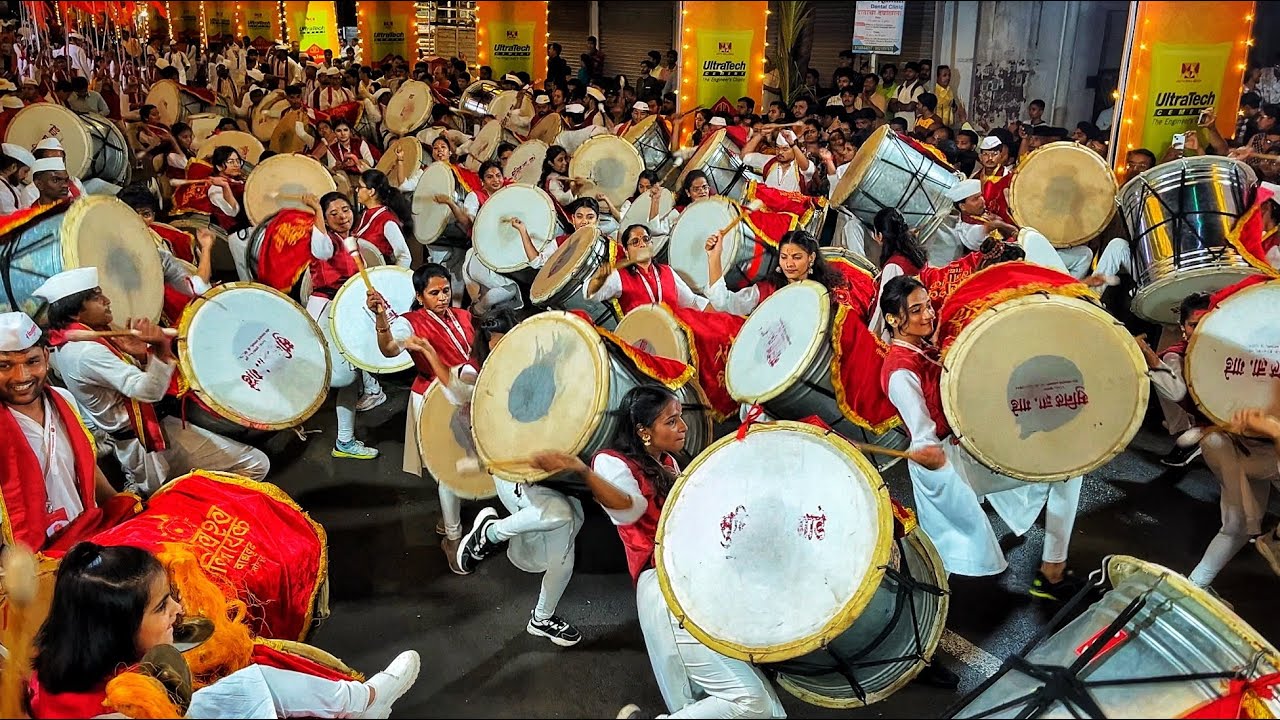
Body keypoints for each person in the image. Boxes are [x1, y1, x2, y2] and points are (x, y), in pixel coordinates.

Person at [528, 386, 787, 720]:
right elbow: (629, 508)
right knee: (750, 702)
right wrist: (584, 473)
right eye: (672, 421)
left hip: (691, 587)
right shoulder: (610, 462)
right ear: (643, 431)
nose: (684, 427)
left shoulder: (667, 462)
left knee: (751, 708)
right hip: (666, 595)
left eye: (680, 418)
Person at [28, 542, 421, 719]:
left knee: (254, 680)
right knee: (255, 682)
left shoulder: (80, 657)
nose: (178, 610)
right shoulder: (109, 712)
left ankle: (363, 700)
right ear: (116, 629)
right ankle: (364, 700)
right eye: (163, 606)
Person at [878, 275, 1084, 595]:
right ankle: (1050, 570)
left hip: (967, 449)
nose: (928, 315)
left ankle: (1052, 567)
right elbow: (923, 438)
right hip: (947, 463)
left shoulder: (926, 348)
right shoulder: (901, 370)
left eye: (928, 305)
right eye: (916, 310)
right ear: (893, 319)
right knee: (945, 552)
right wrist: (937, 460)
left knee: (1065, 470)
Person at [38, 268, 269, 495]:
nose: (107, 300)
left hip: (150, 429)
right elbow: (148, 392)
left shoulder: (85, 338)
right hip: (144, 444)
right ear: (76, 314)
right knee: (255, 465)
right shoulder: (86, 352)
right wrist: (160, 347)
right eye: (97, 297)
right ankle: (207, 513)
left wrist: (140, 354)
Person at [1139, 293, 1280, 588]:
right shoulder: (1178, 355)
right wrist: (1148, 353)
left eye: (1208, 322)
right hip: (1226, 445)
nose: (1202, 329)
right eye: (1194, 325)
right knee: (1238, 525)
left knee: (1236, 528)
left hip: (1256, 444)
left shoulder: (1239, 349)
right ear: (1182, 327)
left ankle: (1194, 586)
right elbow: (1177, 393)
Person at [369, 264, 477, 575]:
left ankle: (448, 518)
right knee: (448, 470)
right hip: (434, 399)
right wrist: (380, 318)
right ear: (419, 296)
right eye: (434, 293)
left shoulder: (465, 316)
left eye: (445, 291)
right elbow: (390, 349)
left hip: (468, 396)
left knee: (475, 462)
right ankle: (453, 538)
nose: (443, 298)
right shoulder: (408, 323)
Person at [0, 312, 123, 551]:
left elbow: (86, 466)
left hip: (87, 536)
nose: (22, 376)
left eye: (32, 361)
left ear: (46, 357)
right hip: (30, 559)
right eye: (5, 366)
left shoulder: (64, 400)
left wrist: (119, 506)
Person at [303, 192, 383, 459]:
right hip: (327, 310)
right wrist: (315, 208)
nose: (342, 217)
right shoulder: (324, 240)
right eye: (333, 213)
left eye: (345, 210)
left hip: (344, 309)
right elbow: (321, 251)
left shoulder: (350, 239)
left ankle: (345, 441)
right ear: (323, 219)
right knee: (344, 376)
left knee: (350, 379)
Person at [704, 229, 844, 316]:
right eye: (784, 257)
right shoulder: (767, 290)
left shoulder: (826, 289)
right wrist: (714, 257)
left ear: (811, 258)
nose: (789, 264)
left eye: (796, 257)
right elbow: (724, 304)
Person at [585, 223, 709, 314]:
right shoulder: (620, 276)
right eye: (635, 242)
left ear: (651, 245)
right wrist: (597, 281)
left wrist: (718, 309)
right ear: (626, 251)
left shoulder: (667, 271)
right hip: (643, 341)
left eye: (646, 239)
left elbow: (692, 301)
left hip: (675, 334)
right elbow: (591, 295)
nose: (642, 244)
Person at [353, 169, 413, 268]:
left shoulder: (387, 221)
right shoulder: (365, 214)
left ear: (371, 192)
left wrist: (389, 279)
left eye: (360, 187)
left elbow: (405, 257)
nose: (356, 190)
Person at [0, 141, 33, 213]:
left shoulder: (10, 187)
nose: (25, 176)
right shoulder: (2, 191)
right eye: (25, 171)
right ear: (13, 167)